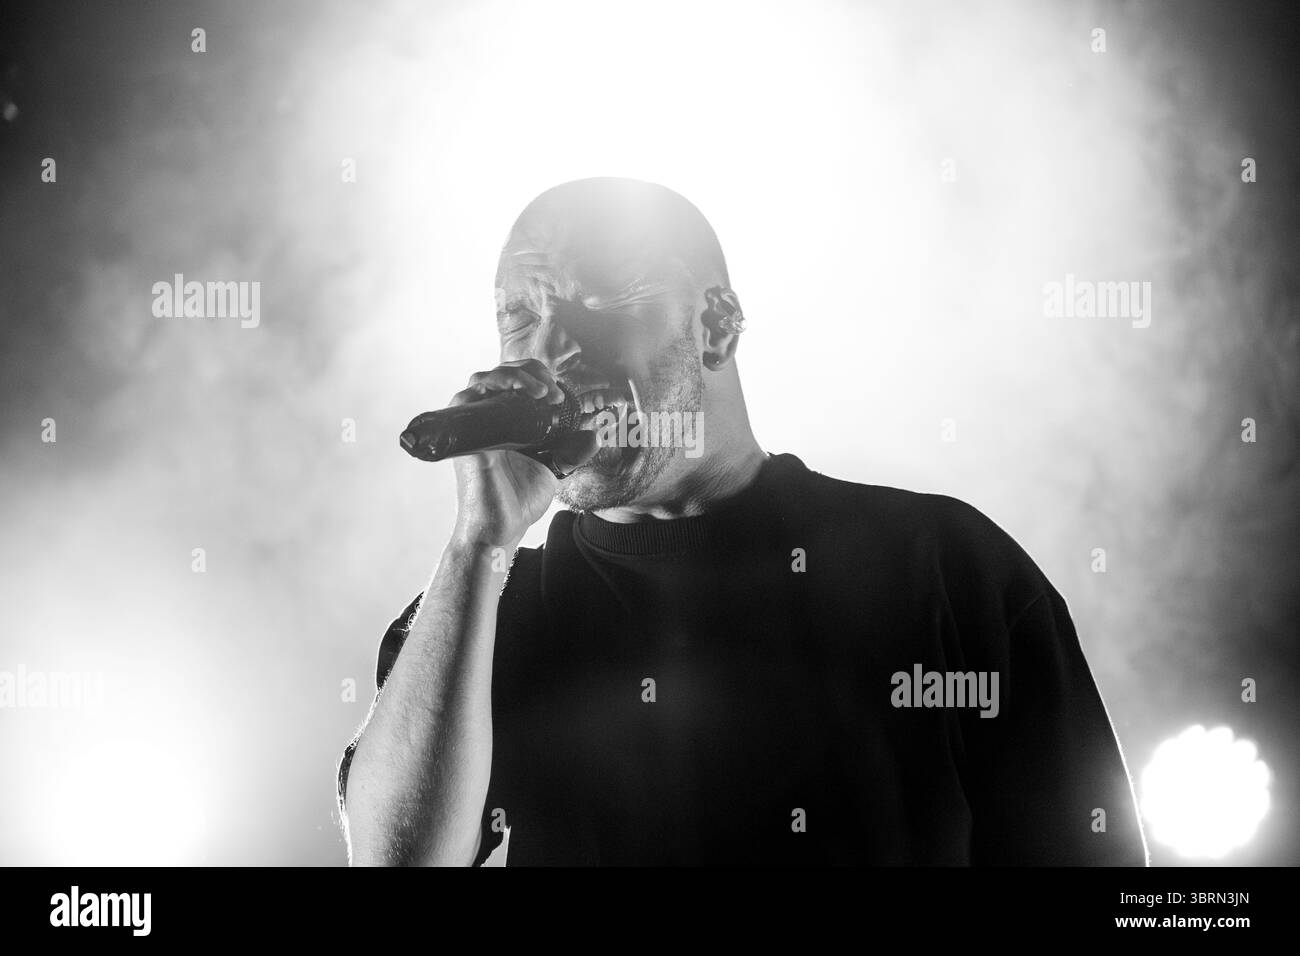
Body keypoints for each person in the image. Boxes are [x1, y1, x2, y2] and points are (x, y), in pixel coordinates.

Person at [336, 176, 1149, 866]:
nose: (550, 351)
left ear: (717, 326)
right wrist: (479, 545)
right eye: (521, 317)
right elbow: (396, 861)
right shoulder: (487, 610)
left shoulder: (941, 564)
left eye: (602, 302)